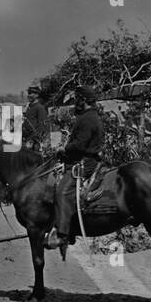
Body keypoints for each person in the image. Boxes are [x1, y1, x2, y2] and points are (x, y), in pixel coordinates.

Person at [46, 86, 105, 249]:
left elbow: (79, 144)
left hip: (84, 163)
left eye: (77, 99)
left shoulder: (87, 119)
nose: (75, 102)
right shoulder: (90, 116)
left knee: (62, 191)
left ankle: (63, 235)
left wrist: (63, 149)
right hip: (85, 159)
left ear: (83, 100)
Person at [22, 84, 50, 151]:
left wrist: (33, 140)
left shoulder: (40, 108)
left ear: (37, 95)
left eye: (31, 93)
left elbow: (43, 126)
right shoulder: (29, 108)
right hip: (26, 138)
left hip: (33, 142)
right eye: (28, 93)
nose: (29, 95)